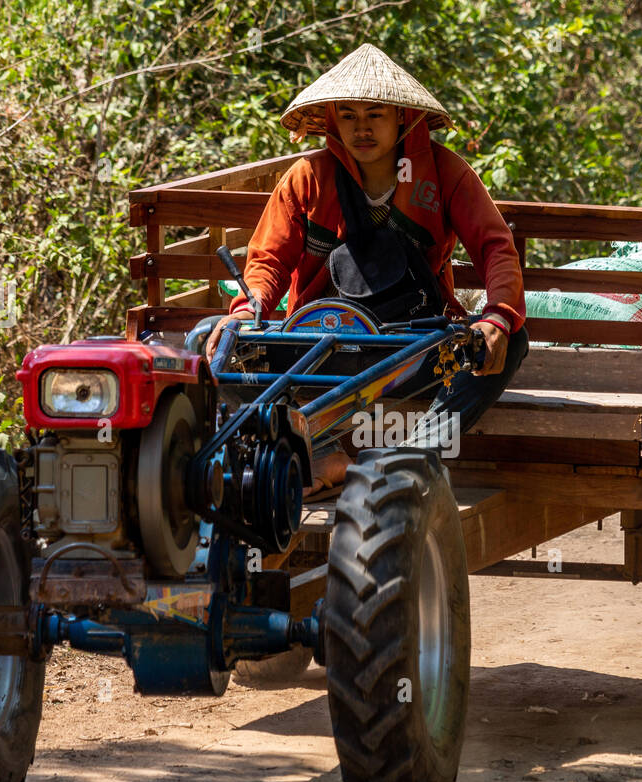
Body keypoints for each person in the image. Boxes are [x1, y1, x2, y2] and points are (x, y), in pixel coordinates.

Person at [204, 43, 527, 491]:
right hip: (319, 344)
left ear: (402, 117)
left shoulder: (446, 173)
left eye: (375, 113)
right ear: (333, 120)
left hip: (415, 348)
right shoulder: (306, 178)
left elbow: (496, 248)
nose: (362, 128)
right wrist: (245, 310)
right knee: (214, 339)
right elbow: (268, 261)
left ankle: (413, 459)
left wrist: (497, 317)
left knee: (512, 340)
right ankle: (319, 453)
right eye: (349, 115)